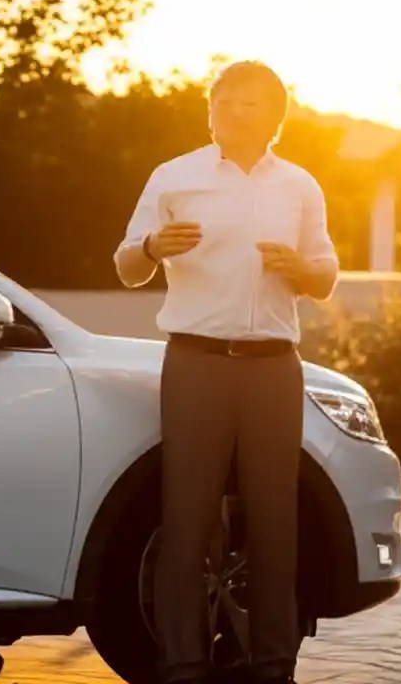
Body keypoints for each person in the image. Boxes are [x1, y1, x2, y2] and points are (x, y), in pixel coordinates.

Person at [113, 61, 339, 684]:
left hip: (273, 369)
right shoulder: (174, 177)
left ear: (274, 118)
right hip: (195, 364)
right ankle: (181, 663)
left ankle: (272, 664)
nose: (228, 112)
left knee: (275, 522)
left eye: (245, 104)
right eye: (221, 100)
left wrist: (298, 268)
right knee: (187, 518)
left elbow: (325, 277)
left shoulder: (299, 187)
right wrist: (154, 249)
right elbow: (126, 265)